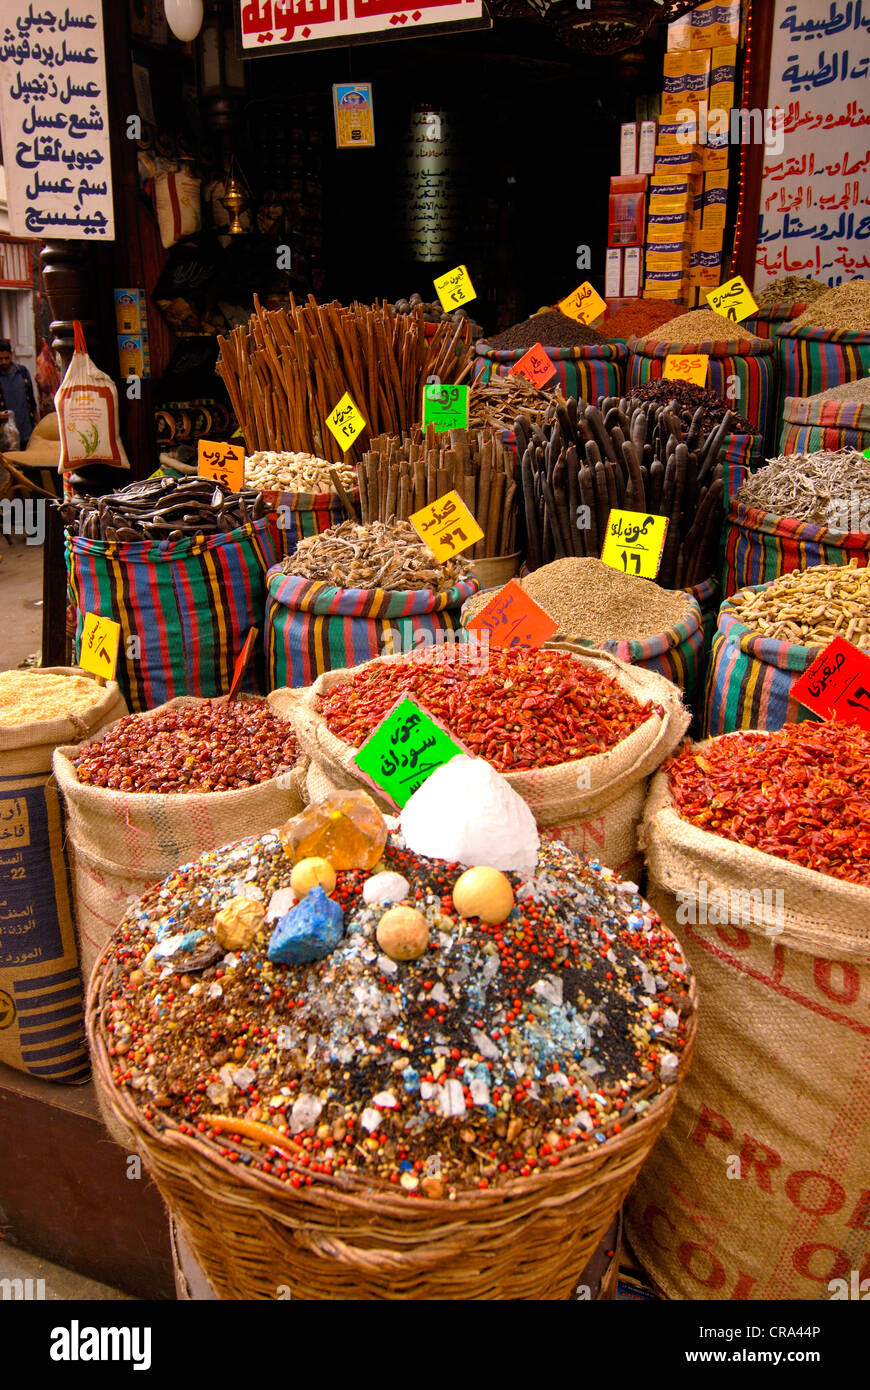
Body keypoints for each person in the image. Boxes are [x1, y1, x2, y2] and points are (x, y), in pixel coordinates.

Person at [0, 339, 37, 448]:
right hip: (6, 437)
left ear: (11, 355)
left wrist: (38, 426)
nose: (4, 362)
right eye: (0, 359)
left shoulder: (22, 372)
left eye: (6, 358)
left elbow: (32, 402)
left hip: (27, 432)